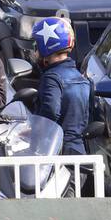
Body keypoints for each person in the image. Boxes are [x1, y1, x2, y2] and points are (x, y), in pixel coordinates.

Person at [33, 17, 91, 156]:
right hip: (79, 151)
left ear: (44, 46)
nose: (35, 51)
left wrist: (35, 132)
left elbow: (50, 115)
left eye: (36, 45)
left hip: (57, 152)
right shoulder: (82, 78)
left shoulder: (51, 78)